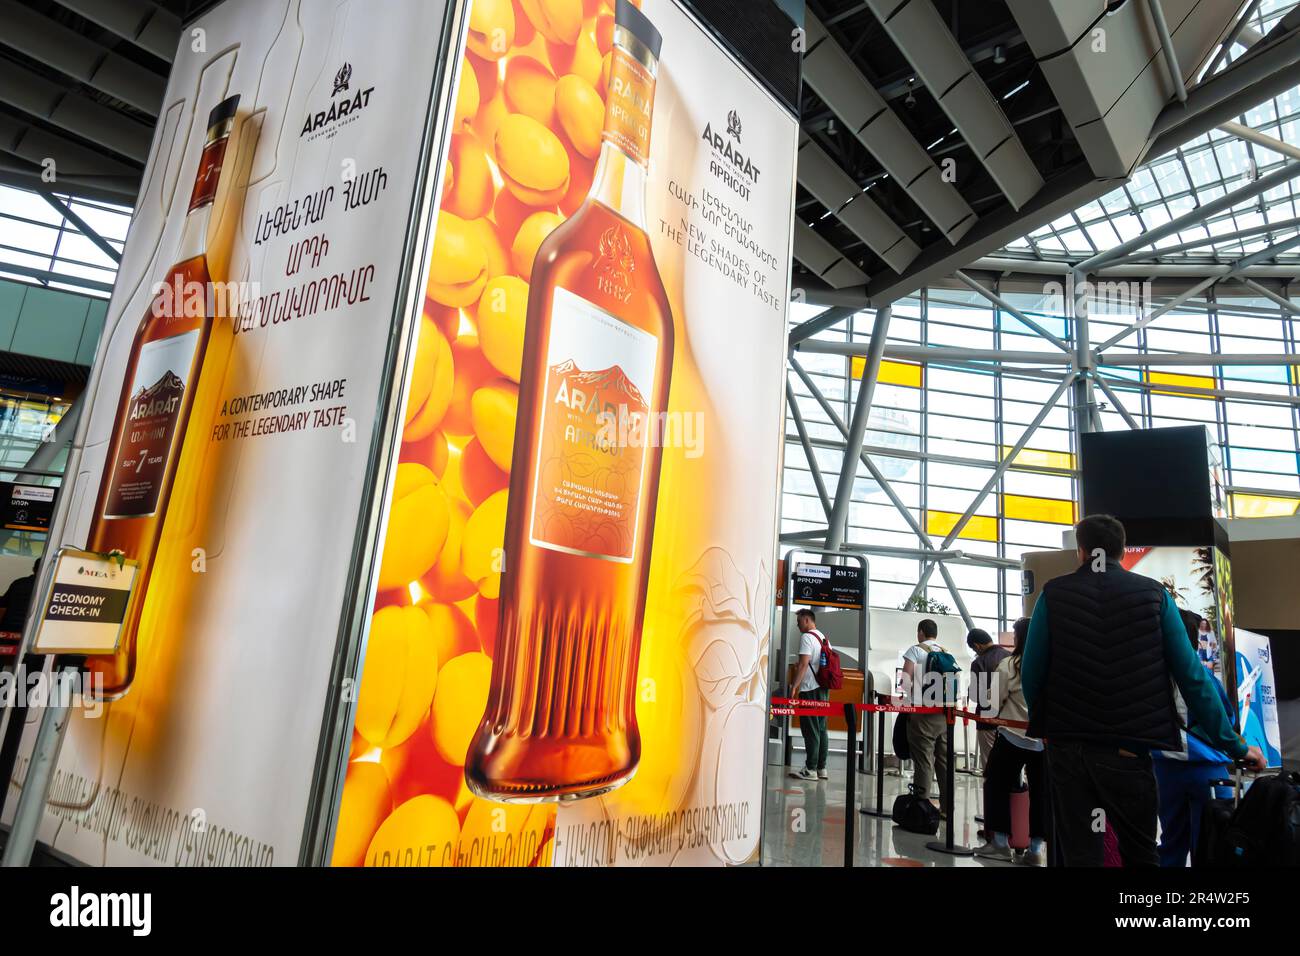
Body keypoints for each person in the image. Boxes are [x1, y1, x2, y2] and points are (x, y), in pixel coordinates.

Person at [1022, 514, 1265, 867]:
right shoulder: (1155, 597)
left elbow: (1033, 674)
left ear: (1081, 551)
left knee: (1081, 852)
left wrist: (1046, 725)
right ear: (1121, 551)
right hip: (1129, 751)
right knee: (1139, 850)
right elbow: (1192, 678)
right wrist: (1235, 745)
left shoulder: (1053, 595)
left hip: (1069, 749)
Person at [1152, 609, 1235, 867]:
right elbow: (1226, 721)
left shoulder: (1153, 679)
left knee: (1171, 841)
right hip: (1208, 770)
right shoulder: (1204, 677)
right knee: (1210, 842)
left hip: (1164, 769)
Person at [974, 617, 1049, 865]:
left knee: (996, 784)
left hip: (1012, 738)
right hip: (1044, 741)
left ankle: (1001, 843)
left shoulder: (1011, 665)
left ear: (1020, 638)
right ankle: (1036, 848)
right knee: (1041, 793)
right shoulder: (1051, 664)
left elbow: (992, 702)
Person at [901, 619, 950, 814]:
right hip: (944, 713)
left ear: (921, 632)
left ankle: (921, 808)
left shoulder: (915, 650)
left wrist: (908, 693)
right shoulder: (945, 652)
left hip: (922, 712)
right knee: (944, 761)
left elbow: (905, 679)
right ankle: (947, 809)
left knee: (923, 760)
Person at [788, 608, 829, 781]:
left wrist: (794, 687)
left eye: (798, 622)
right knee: (821, 728)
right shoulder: (823, 638)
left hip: (810, 689)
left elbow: (804, 665)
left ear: (806, 620)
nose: (798, 626)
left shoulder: (807, 638)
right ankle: (821, 768)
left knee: (811, 729)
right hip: (822, 689)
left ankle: (810, 769)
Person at [966, 627, 1010, 772]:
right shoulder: (1010, 657)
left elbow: (975, 694)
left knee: (990, 765)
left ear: (977, 645)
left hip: (987, 720)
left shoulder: (979, 662)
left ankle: (993, 794)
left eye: (974, 649)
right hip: (1011, 720)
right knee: (1011, 766)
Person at [0, 560, 38, 633]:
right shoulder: (47, 588)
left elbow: (3, 602)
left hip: (8, 628)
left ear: (33, 569)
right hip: (30, 632)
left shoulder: (18, 582)